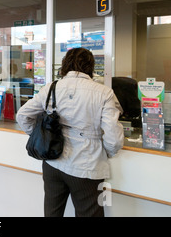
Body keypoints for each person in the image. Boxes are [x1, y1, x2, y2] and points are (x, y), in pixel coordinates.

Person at [16, 47, 124, 217]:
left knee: (52, 213)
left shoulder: (51, 87)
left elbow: (22, 115)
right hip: (86, 165)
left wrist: (42, 137)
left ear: (65, 64)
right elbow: (114, 140)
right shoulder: (104, 93)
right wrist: (107, 153)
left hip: (52, 162)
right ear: (90, 66)